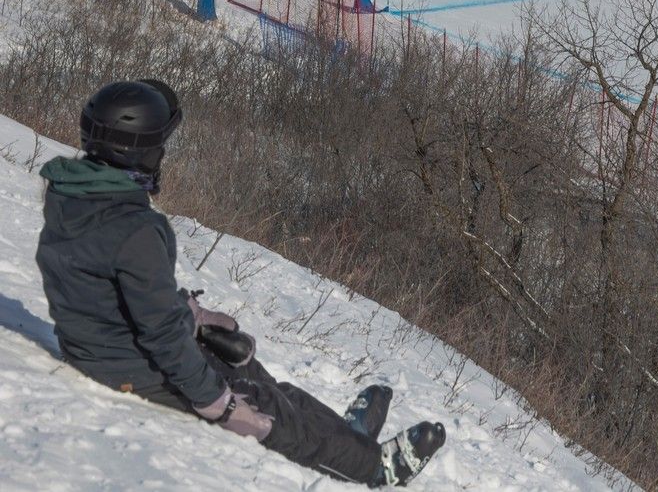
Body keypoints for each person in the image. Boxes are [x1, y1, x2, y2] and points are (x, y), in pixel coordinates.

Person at [36, 80, 446, 488]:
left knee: (246, 366)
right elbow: (160, 334)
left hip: (99, 348)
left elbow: (106, 287)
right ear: (143, 152)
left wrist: (192, 317)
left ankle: (344, 438)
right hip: (126, 367)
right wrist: (220, 404)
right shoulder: (135, 229)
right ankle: (375, 468)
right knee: (260, 402)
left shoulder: (75, 197)